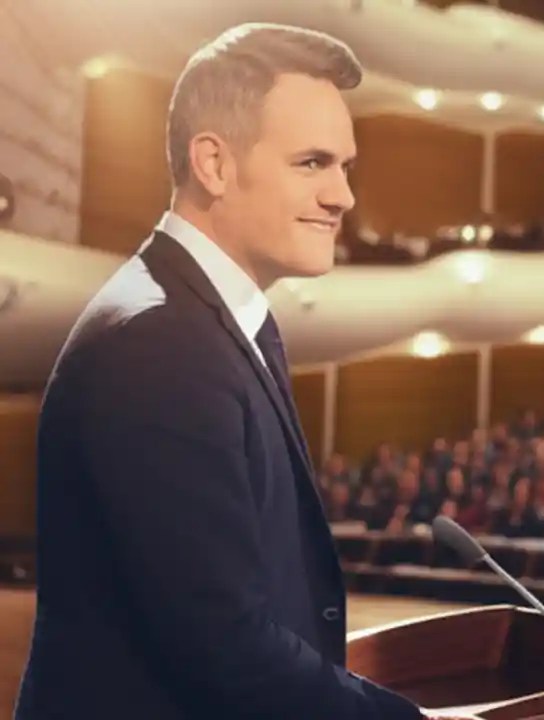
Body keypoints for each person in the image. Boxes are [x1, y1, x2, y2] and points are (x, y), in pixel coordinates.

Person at [15, 23, 452, 720]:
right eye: (312, 163)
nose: (343, 196)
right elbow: (224, 649)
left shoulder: (218, 320)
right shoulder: (157, 343)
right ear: (214, 164)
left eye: (346, 166)